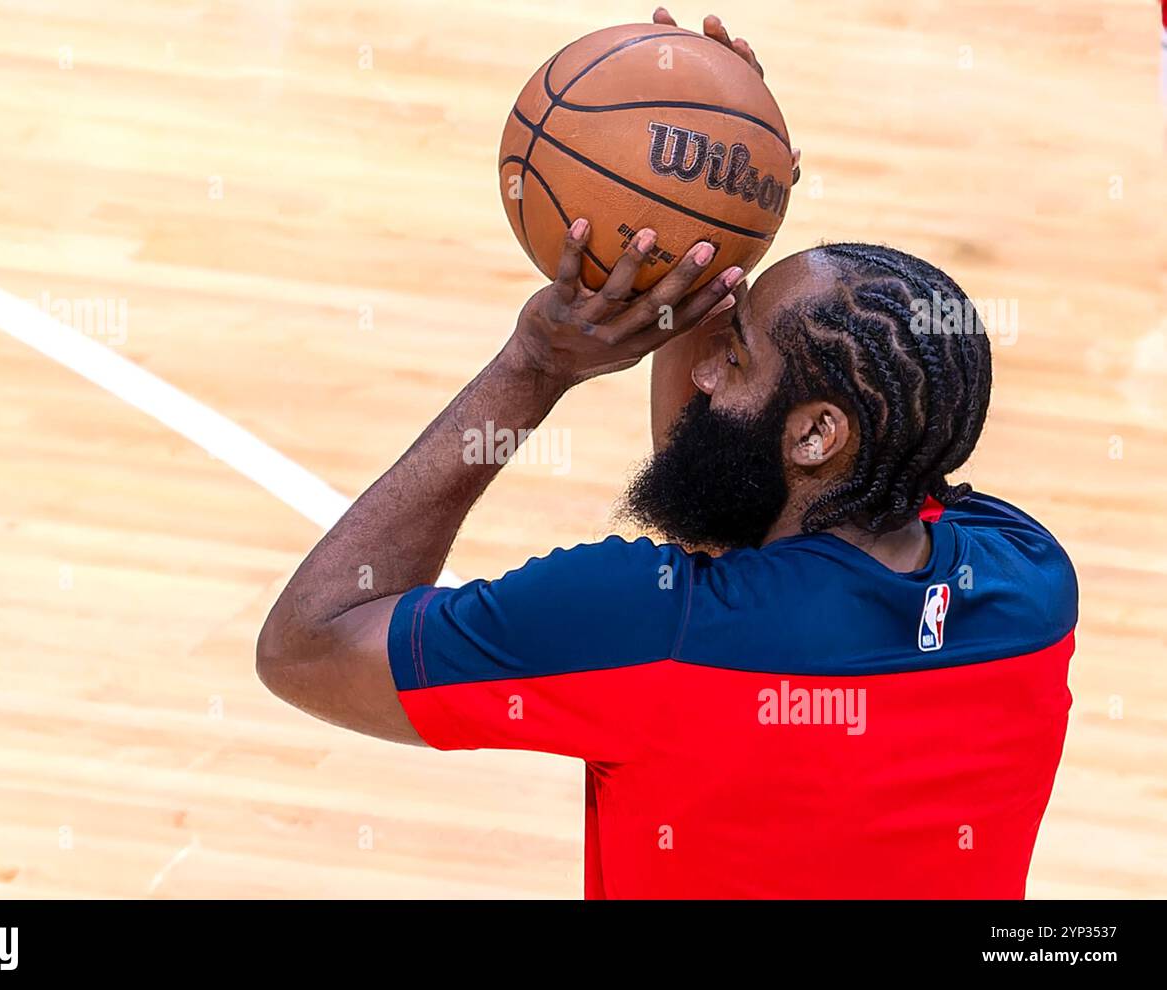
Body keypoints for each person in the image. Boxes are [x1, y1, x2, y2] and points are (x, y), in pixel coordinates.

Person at [255, 11, 1077, 898]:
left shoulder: (646, 629)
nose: (709, 375)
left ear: (814, 434)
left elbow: (311, 645)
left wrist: (533, 369)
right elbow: (741, 527)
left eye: (739, 350)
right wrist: (723, 217)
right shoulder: (1029, 585)